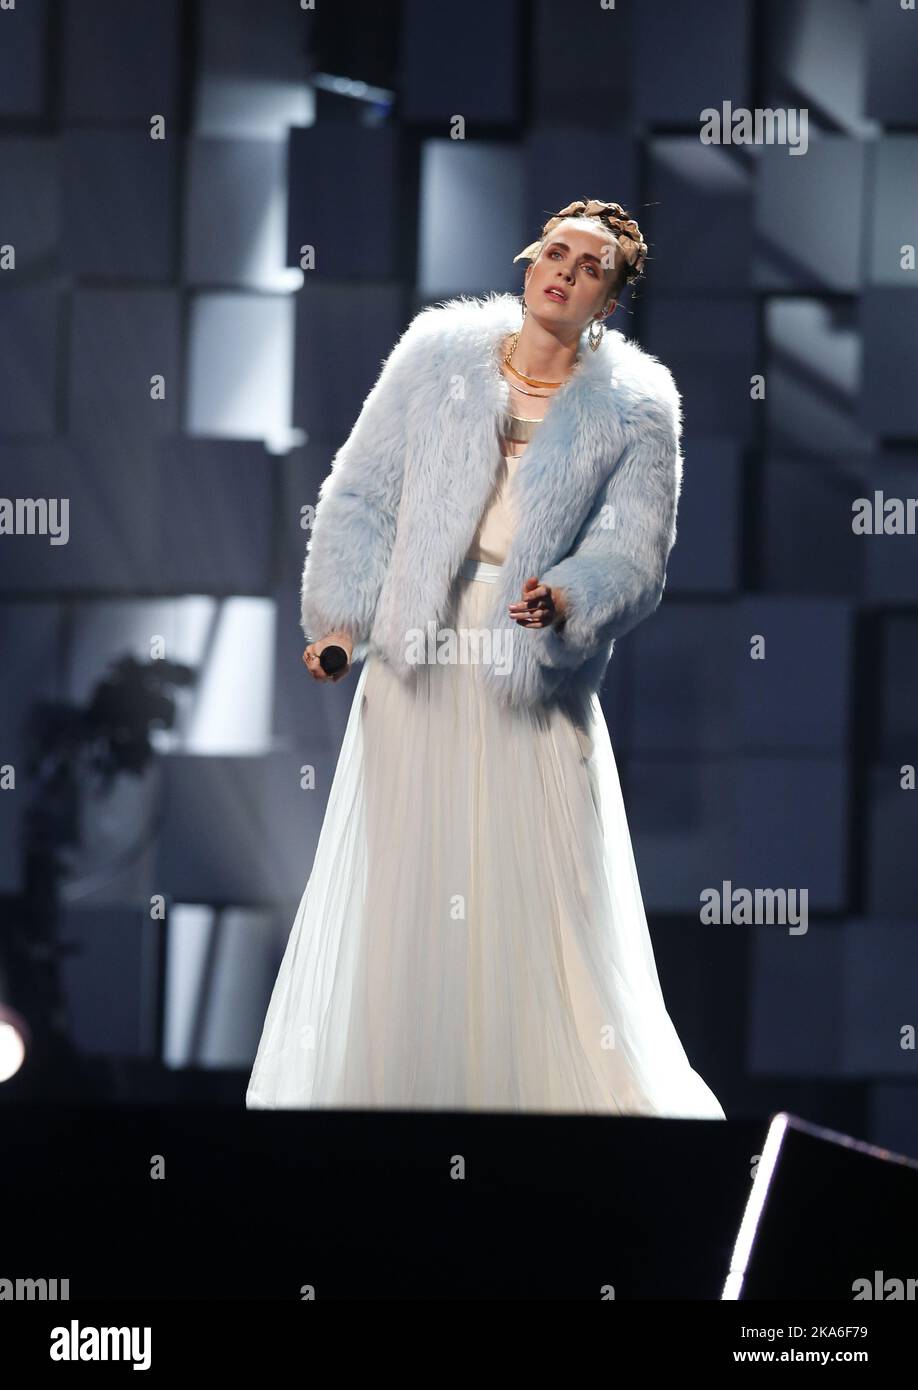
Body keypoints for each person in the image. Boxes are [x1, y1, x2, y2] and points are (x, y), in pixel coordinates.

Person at [246, 198, 726, 1118]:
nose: (565, 273)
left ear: (610, 300)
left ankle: (558, 1119)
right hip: (416, 653)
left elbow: (635, 554)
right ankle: (395, 1112)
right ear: (529, 258)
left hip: (528, 656)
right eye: (557, 253)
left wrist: (569, 595)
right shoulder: (437, 358)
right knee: (407, 888)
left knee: (545, 889)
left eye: (591, 269)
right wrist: (342, 622)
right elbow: (363, 495)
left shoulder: (637, 408)